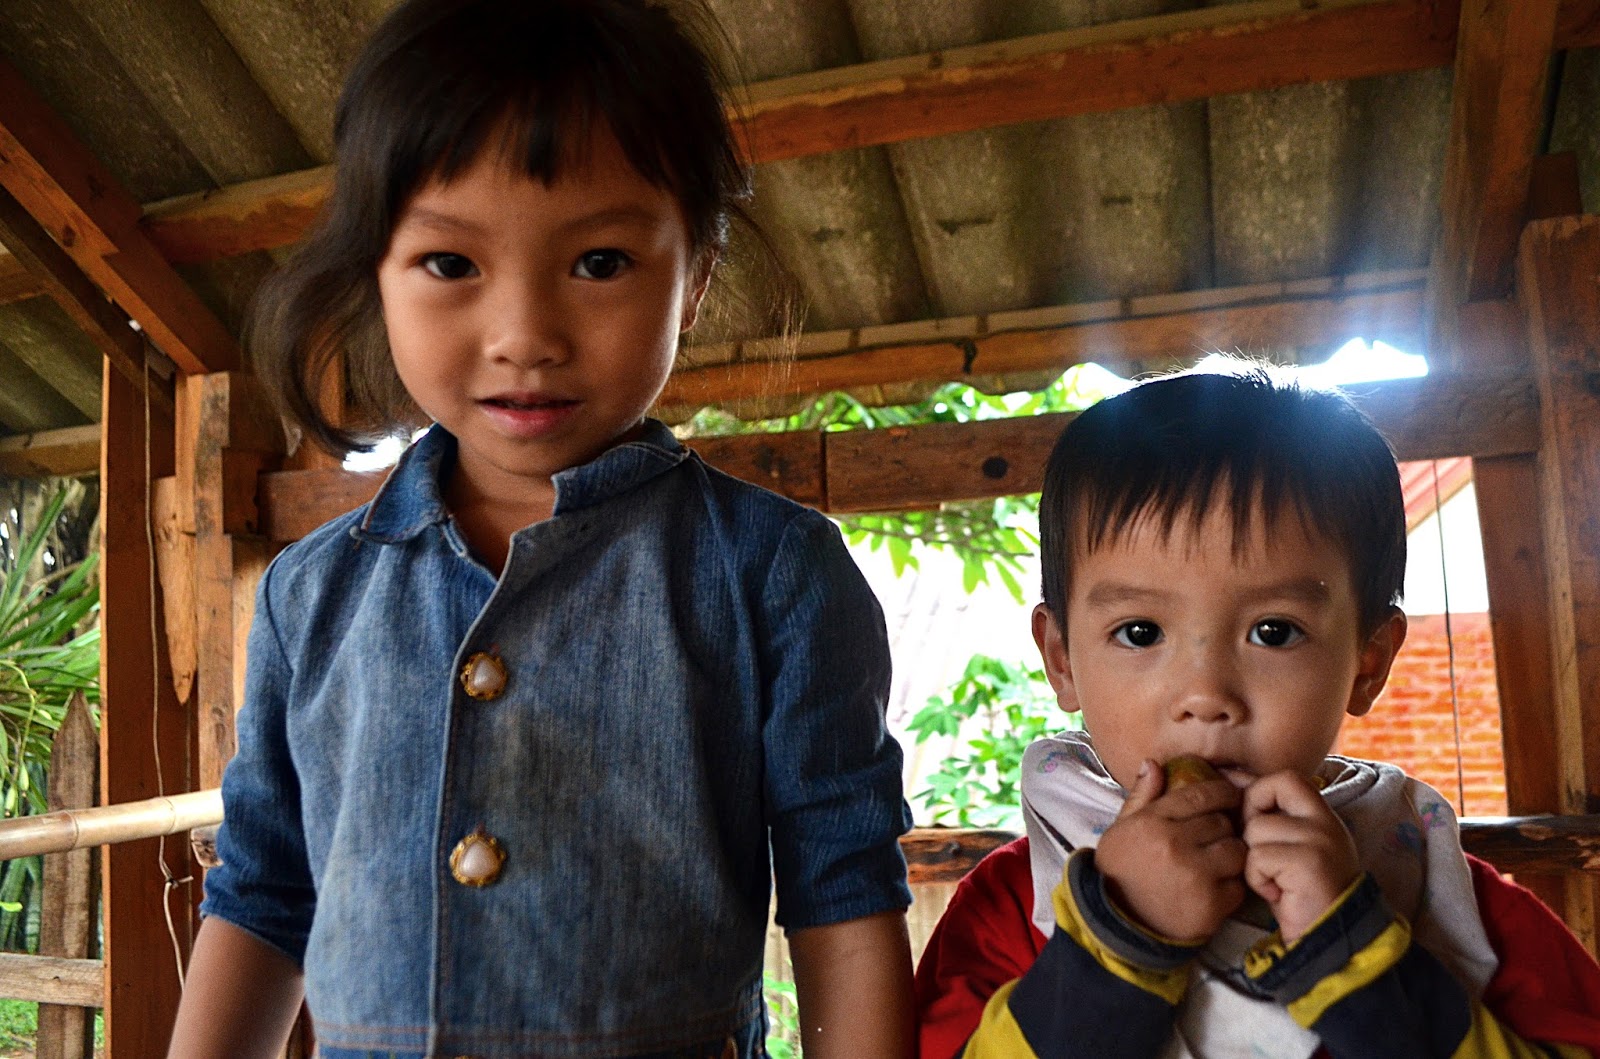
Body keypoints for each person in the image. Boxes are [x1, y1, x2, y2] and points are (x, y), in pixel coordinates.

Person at [165, 2, 916, 1056]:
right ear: (376, 274)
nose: (524, 336)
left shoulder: (774, 575)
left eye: (600, 262)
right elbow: (263, 890)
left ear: (693, 275)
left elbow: (843, 892)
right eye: (450, 264)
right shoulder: (310, 593)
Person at [914, 366, 1600, 1058]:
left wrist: (1357, 953)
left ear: (1368, 660)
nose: (1205, 694)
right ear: (1062, 659)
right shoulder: (1008, 908)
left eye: (1273, 631)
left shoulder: (1444, 899)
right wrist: (1112, 944)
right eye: (1140, 631)